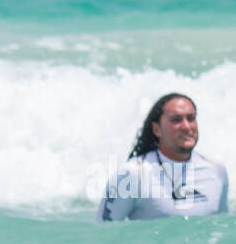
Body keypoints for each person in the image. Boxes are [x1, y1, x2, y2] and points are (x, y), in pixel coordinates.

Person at [96, 92, 229, 221]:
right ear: (157, 129)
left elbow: (221, 227)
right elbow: (104, 232)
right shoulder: (133, 174)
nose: (186, 126)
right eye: (176, 120)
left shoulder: (216, 171)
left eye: (191, 118)